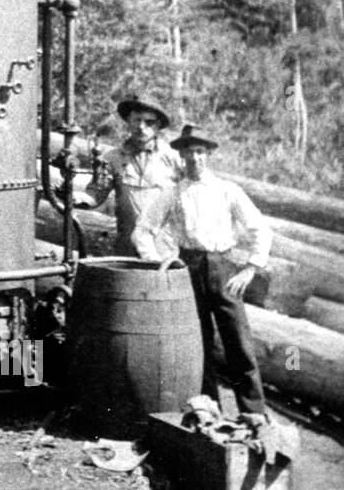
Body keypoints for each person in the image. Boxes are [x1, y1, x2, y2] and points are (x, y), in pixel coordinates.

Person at [132, 125, 271, 421]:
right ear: (181, 156)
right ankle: (208, 410)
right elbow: (142, 231)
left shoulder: (227, 191)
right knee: (198, 343)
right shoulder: (172, 193)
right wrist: (161, 261)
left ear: (208, 155)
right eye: (188, 152)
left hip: (222, 267)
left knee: (238, 342)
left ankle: (253, 411)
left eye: (199, 152)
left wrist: (251, 267)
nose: (194, 158)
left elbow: (259, 228)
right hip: (187, 268)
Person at [77, 95, 184, 255]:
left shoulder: (173, 158)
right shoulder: (112, 158)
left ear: (158, 126)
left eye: (149, 122)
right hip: (128, 245)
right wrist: (80, 198)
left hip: (164, 246)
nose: (141, 127)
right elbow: (96, 193)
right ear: (128, 121)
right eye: (137, 120)